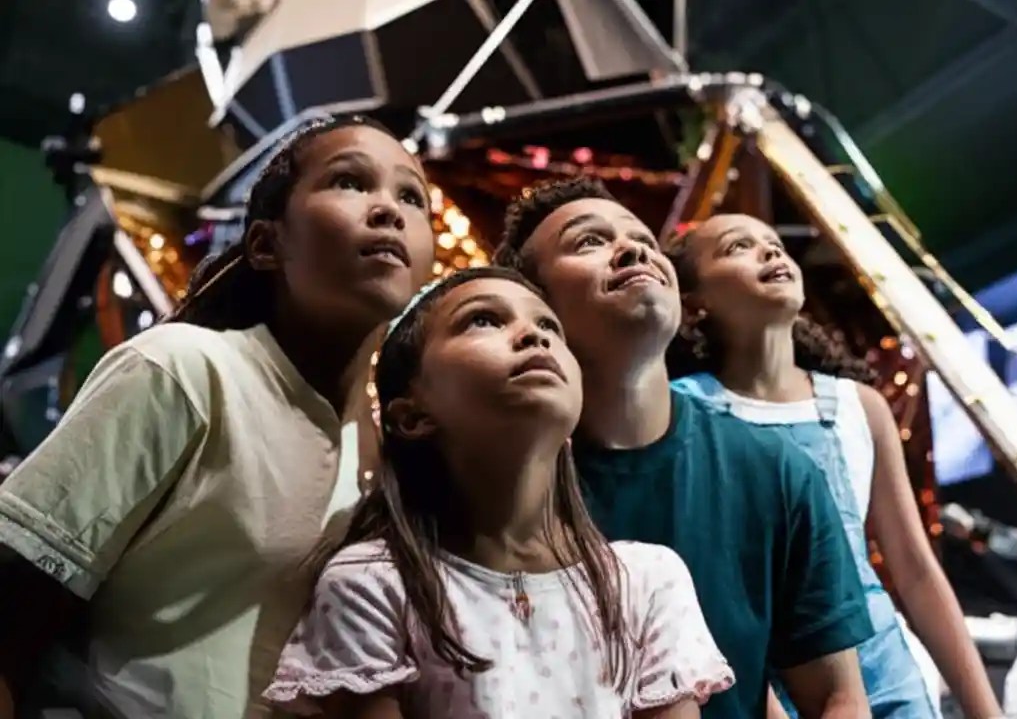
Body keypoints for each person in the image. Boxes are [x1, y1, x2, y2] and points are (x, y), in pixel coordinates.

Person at [0, 115, 436, 718]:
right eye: (349, 182)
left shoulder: (398, 453)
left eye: (411, 196)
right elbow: (12, 614)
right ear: (266, 243)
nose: (389, 209)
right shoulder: (181, 370)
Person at [264, 267, 734, 717]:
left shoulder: (646, 581)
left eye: (549, 325)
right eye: (483, 320)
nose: (535, 336)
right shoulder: (373, 584)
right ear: (411, 415)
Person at [493, 177, 875, 719]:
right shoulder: (494, 483)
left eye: (643, 239)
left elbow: (837, 698)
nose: (633, 249)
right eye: (588, 242)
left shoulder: (778, 472)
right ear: (534, 308)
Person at [666, 213, 1004, 719]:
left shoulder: (859, 407)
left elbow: (914, 572)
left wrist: (986, 712)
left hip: (889, 673)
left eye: (775, 243)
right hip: (768, 685)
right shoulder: (684, 411)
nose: (771, 253)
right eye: (739, 246)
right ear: (694, 302)